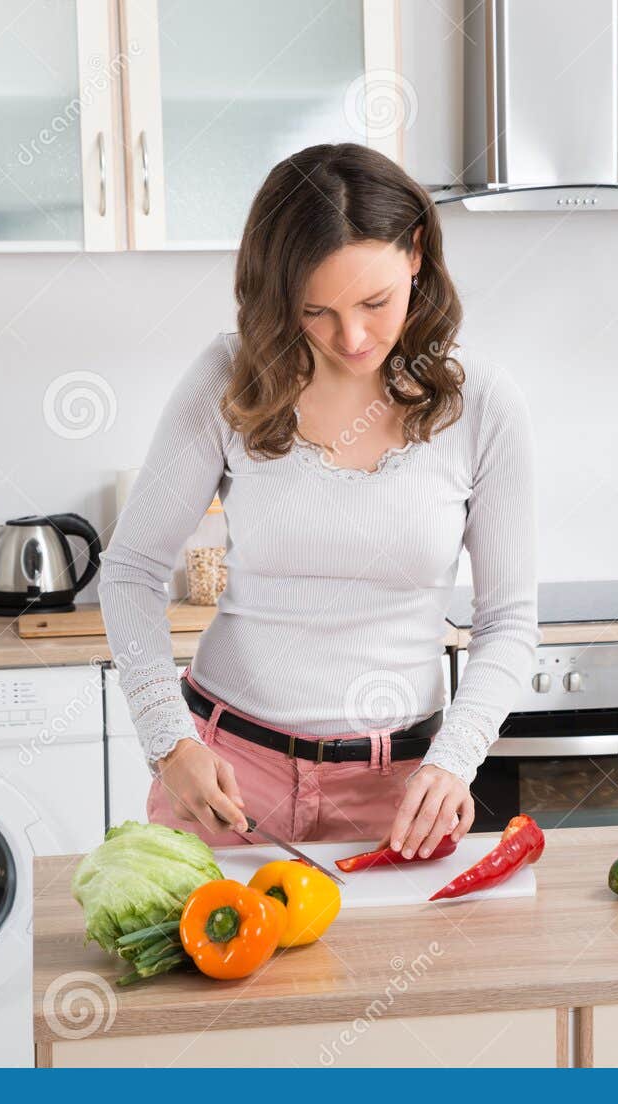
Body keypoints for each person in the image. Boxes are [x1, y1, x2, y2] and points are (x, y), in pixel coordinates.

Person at [99, 142, 537, 860]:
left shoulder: (481, 402)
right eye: (317, 311)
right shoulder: (229, 376)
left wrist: (455, 759)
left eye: (375, 302)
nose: (353, 337)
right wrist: (167, 742)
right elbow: (131, 570)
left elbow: (510, 620)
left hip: (397, 791)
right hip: (226, 779)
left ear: (417, 253)